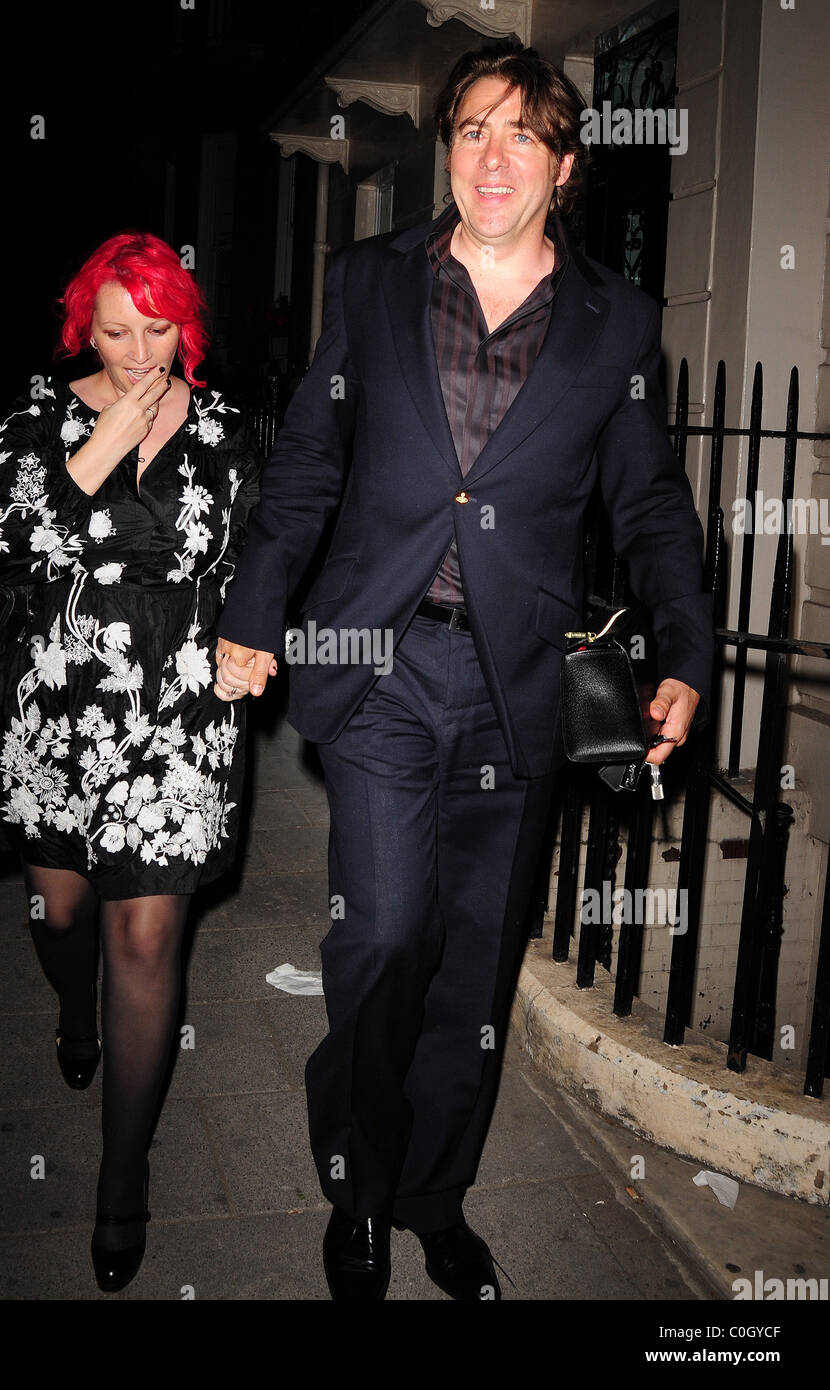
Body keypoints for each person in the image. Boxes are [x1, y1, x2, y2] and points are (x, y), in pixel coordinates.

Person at [216, 39, 713, 1301]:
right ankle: (358, 1184)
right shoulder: (372, 280)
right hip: (380, 664)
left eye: (520, 134)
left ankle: (431, 1198)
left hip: (515, 683)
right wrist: (254, 609)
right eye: (471, 128)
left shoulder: (616, 323)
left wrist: (687, 652)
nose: (492, 156)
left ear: (563, 164)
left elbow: (650, 504)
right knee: (383, 938)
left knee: (474, 963)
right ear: (448, 148)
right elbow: (307, 461)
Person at [0, 230, 264, 1293]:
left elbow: (261, 554)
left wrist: (255, 637)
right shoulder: (38, 418)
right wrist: (95, 451)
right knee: (63, 915)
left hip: (178, 708)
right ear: (84, 332)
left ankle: (121, 1177)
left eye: (159, 330)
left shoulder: (224, 428)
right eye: (118, 332)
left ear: (187, 327)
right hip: (56, 701)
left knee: (145, 932)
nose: (140, 354)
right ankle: (71, 1008)